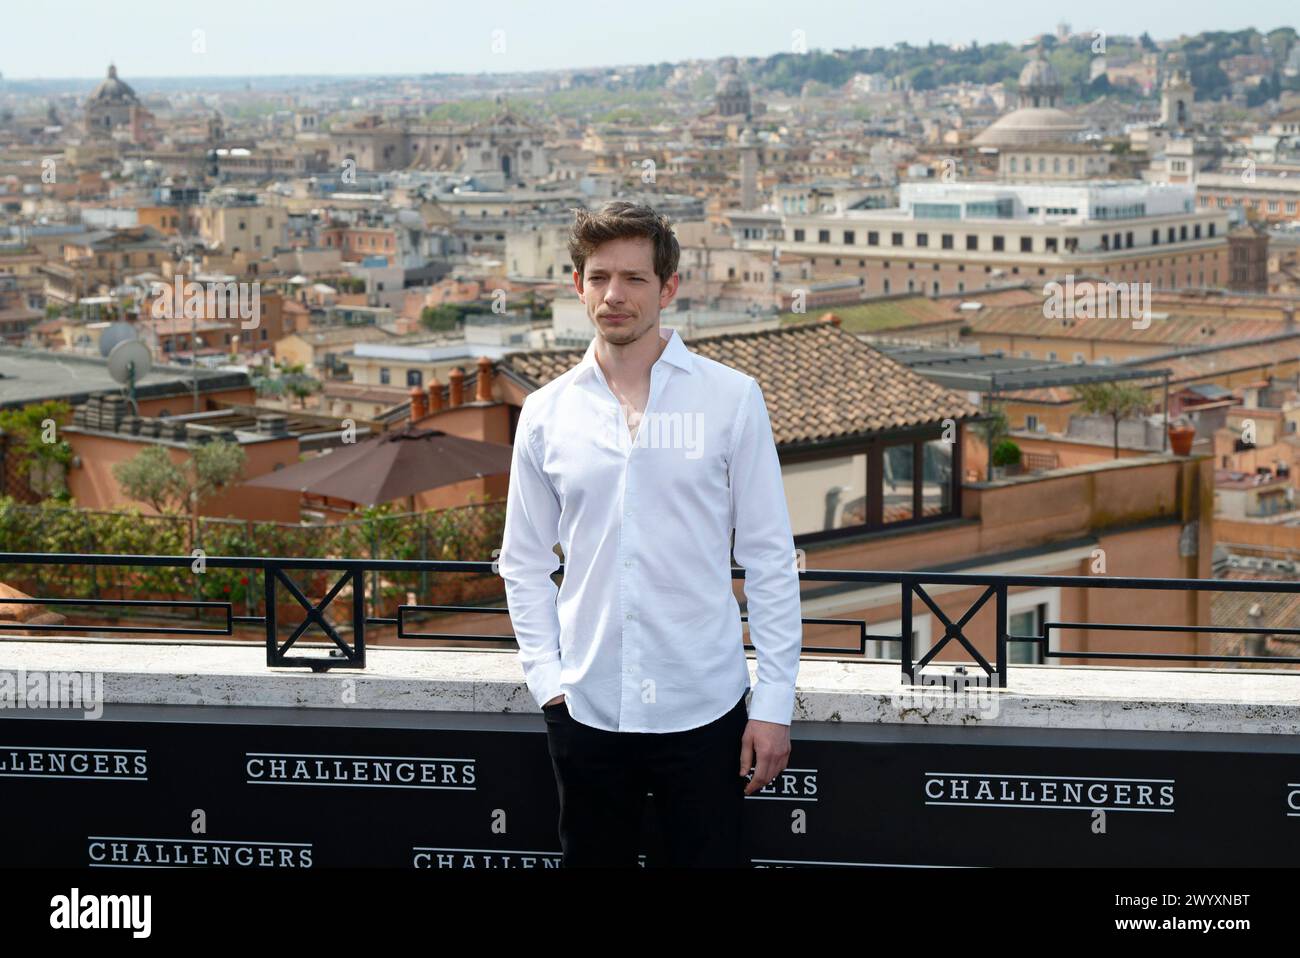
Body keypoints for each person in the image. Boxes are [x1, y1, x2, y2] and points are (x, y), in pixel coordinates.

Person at [498, 200, 803, 868]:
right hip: (586, 712)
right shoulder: (546, 414)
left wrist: (774, 703)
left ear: (668, 288)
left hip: (706, 712)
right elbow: (521, 561)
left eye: (634, 278)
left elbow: (770, 559)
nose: (615, 294)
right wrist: (548, 682)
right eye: (600, 276)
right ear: (577, 285)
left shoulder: (731, 399)